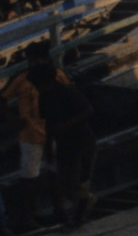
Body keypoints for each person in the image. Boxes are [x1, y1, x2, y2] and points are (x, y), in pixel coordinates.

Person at [0, 42, 70, 230]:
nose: (32, 64)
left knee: (55, 172)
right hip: (30, 134)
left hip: (53, 132)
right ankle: (27, 217)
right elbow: (3, 99)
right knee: (29, 177)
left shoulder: (58, 76)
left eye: (34, 60)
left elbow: (69, 97)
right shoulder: (22, 79)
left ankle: (58, 208)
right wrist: (12, 120)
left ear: (44, 59)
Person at [30, 61, 97, 227]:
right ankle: (80, 209)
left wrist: (67, 125)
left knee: (77, 182)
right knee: (65, 184)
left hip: (81, 141)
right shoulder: (44, 99)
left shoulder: (67, 91)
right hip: (64, 144)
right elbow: (48, 124)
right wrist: (48, 147)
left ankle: (79, 214)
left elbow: (88, 110)